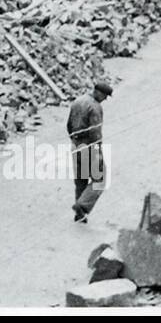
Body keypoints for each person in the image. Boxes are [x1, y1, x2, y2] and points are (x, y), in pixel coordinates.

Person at [67, 81, 111, 223]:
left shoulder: (77, 101)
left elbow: (68, 125)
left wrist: (74, 140)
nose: (105, 99)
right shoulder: (95, 107)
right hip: (89, 146)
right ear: (98, 92)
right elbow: (95, 132)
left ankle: (79, 215)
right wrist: (98, 152)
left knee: (81, 180)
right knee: (100, 180)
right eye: (105, 96)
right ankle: (82, 206)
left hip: (75, 144)